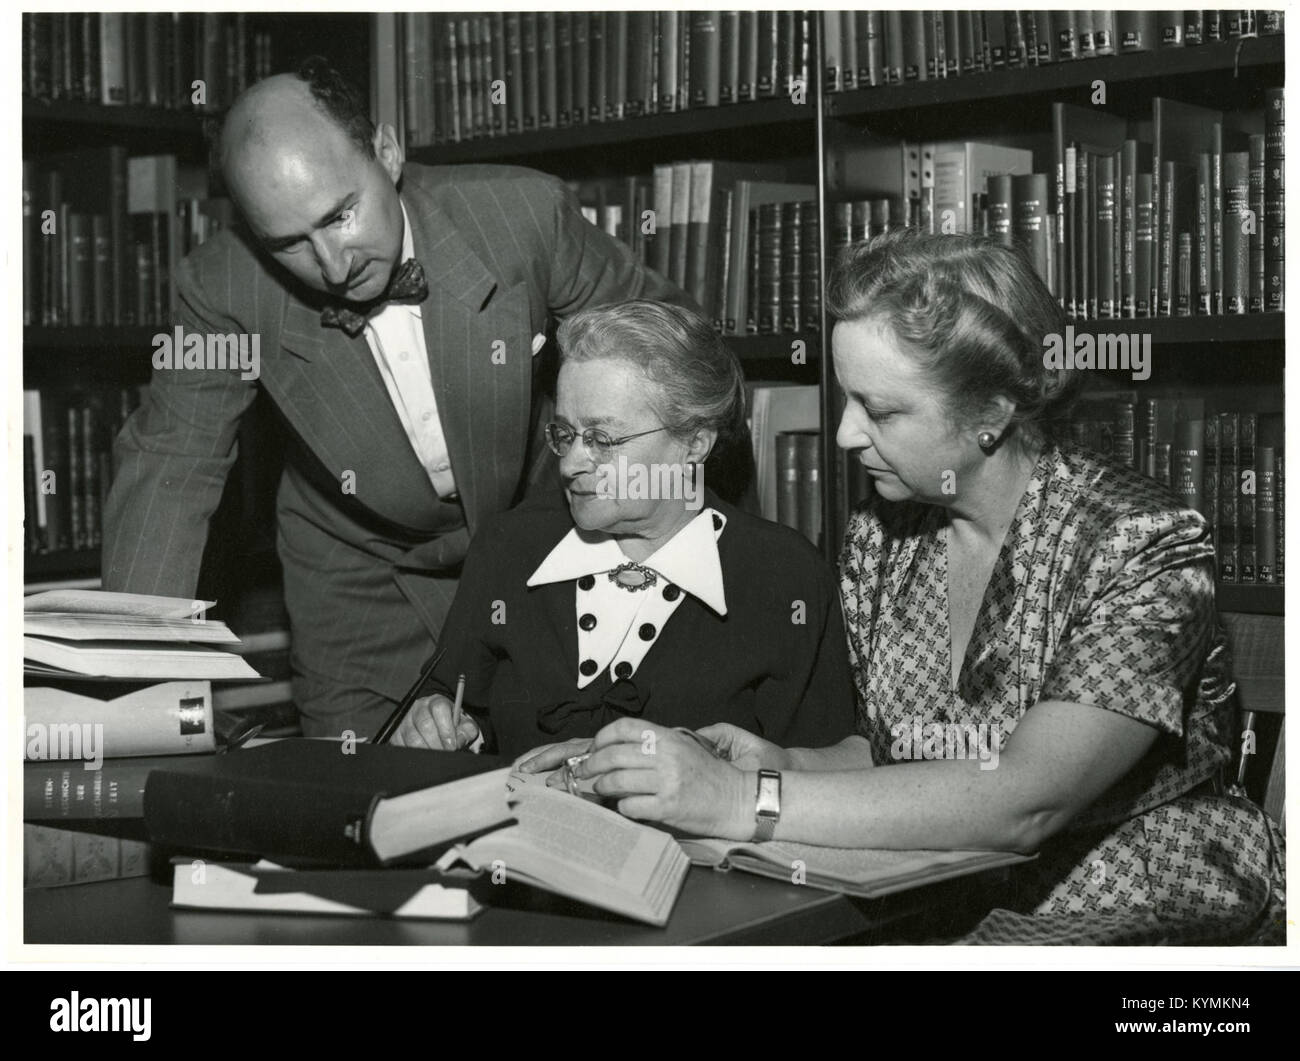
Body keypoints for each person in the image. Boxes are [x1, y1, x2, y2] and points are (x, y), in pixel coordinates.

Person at [521, 231, 1286, 946]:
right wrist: (772, 762)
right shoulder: (883, 531)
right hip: (937, 899)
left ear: (990, 414)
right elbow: (888, 757)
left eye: (880, 409)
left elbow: (1023, 801)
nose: (847, 433)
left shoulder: (1141, 544)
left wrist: (734, 799)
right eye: (850, 398)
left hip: (1130, 916)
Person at [100, 57, 694, 739]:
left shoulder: (522, 217)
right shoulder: (222, 289)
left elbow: (677, 361)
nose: (331, 263)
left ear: (387, 149)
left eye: (341, 214)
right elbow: (170, 466)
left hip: (549, 530)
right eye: (290, 242)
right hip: (358, 570)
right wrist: (131, 682)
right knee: (362, 802)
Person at [390, 299, 855, 760]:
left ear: (694, 442)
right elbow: (460, 707)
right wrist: (440, 725)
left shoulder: (784, 578)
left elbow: (810, 780)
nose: (571, 464)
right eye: (566, 434)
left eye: (602, 440)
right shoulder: (509, 547)